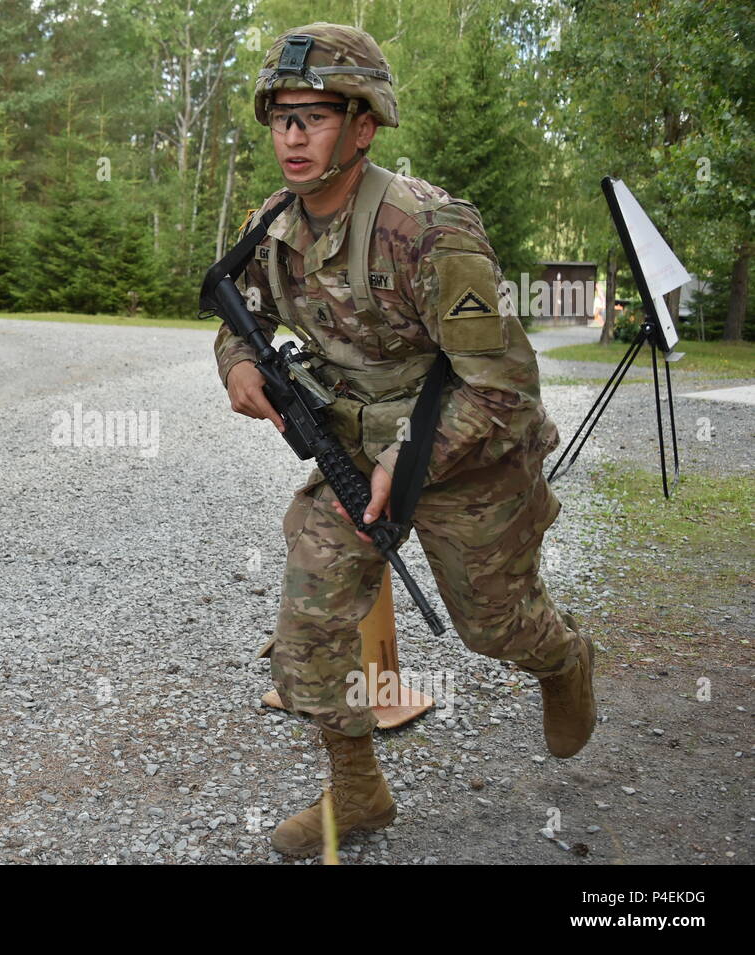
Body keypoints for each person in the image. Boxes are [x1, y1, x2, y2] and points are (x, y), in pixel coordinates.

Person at [214, 24, 595, 859]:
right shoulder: (270, 225)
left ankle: (565, 659)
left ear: (364, 124)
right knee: (307, 625)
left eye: (314, 116)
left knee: (494, 629)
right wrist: (237, 365)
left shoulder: (429, 228)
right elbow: (234, 314)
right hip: (350, 446)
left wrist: (407, 458)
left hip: (467, 451)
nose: (292, 135)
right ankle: (358, 792)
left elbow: (501, 383)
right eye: (280, 117)